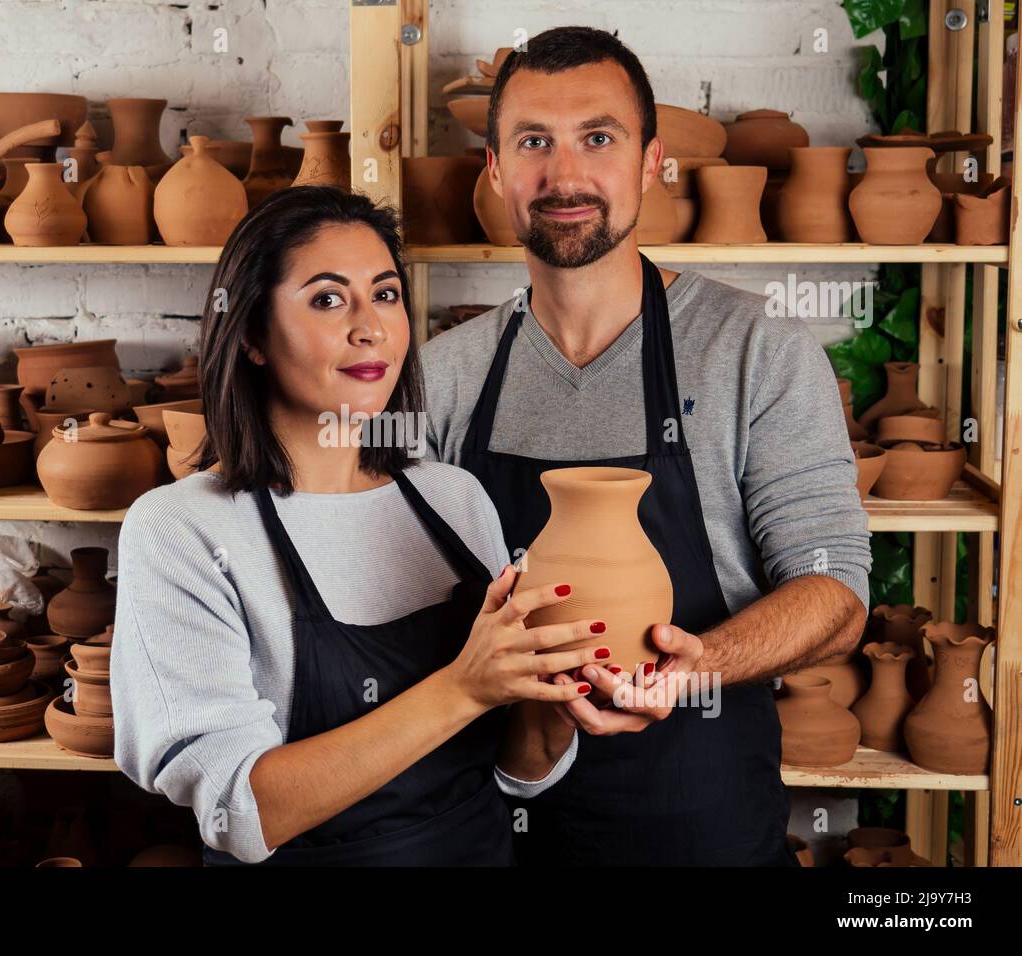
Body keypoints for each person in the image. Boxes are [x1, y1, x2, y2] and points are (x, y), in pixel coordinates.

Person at [420, 26, 873, 865]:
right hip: (492, 828)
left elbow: (837, 596)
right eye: (532, 143)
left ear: (651, 161)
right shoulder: (442, 378)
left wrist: (701, 664)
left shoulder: (755, 348)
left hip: (702, 829)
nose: (565, 176)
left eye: (598, 138)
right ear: (495, 169)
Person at [112, 186, 608, 865]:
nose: (369, 326)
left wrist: (556, 699)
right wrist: (462, 688)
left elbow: (517, 775)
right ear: (252, 334)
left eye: (385, 294)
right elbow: (242, 813)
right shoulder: (182, 530)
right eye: (326, 299)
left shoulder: (453, 499)